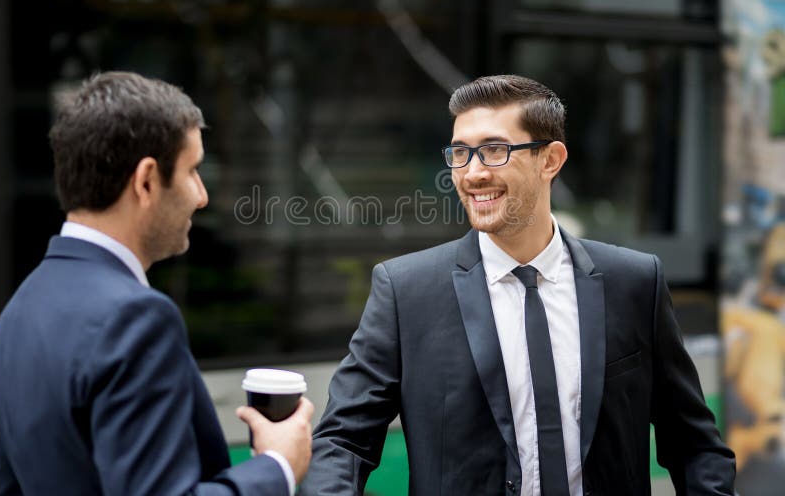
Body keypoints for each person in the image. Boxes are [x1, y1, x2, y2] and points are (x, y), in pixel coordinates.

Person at [301, 75, 735, 495]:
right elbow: (343, 441)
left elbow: (693, 443)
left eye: (493, 150)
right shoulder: (406, 291)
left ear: (550, 160)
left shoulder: (634, 282)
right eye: (460, 153)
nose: (472, 174)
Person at [0, 72, 313, 495]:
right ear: (146, 181)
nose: (202, 195)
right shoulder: (137, 318)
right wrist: (277, 467)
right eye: (193, 170)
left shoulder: (19, 311)